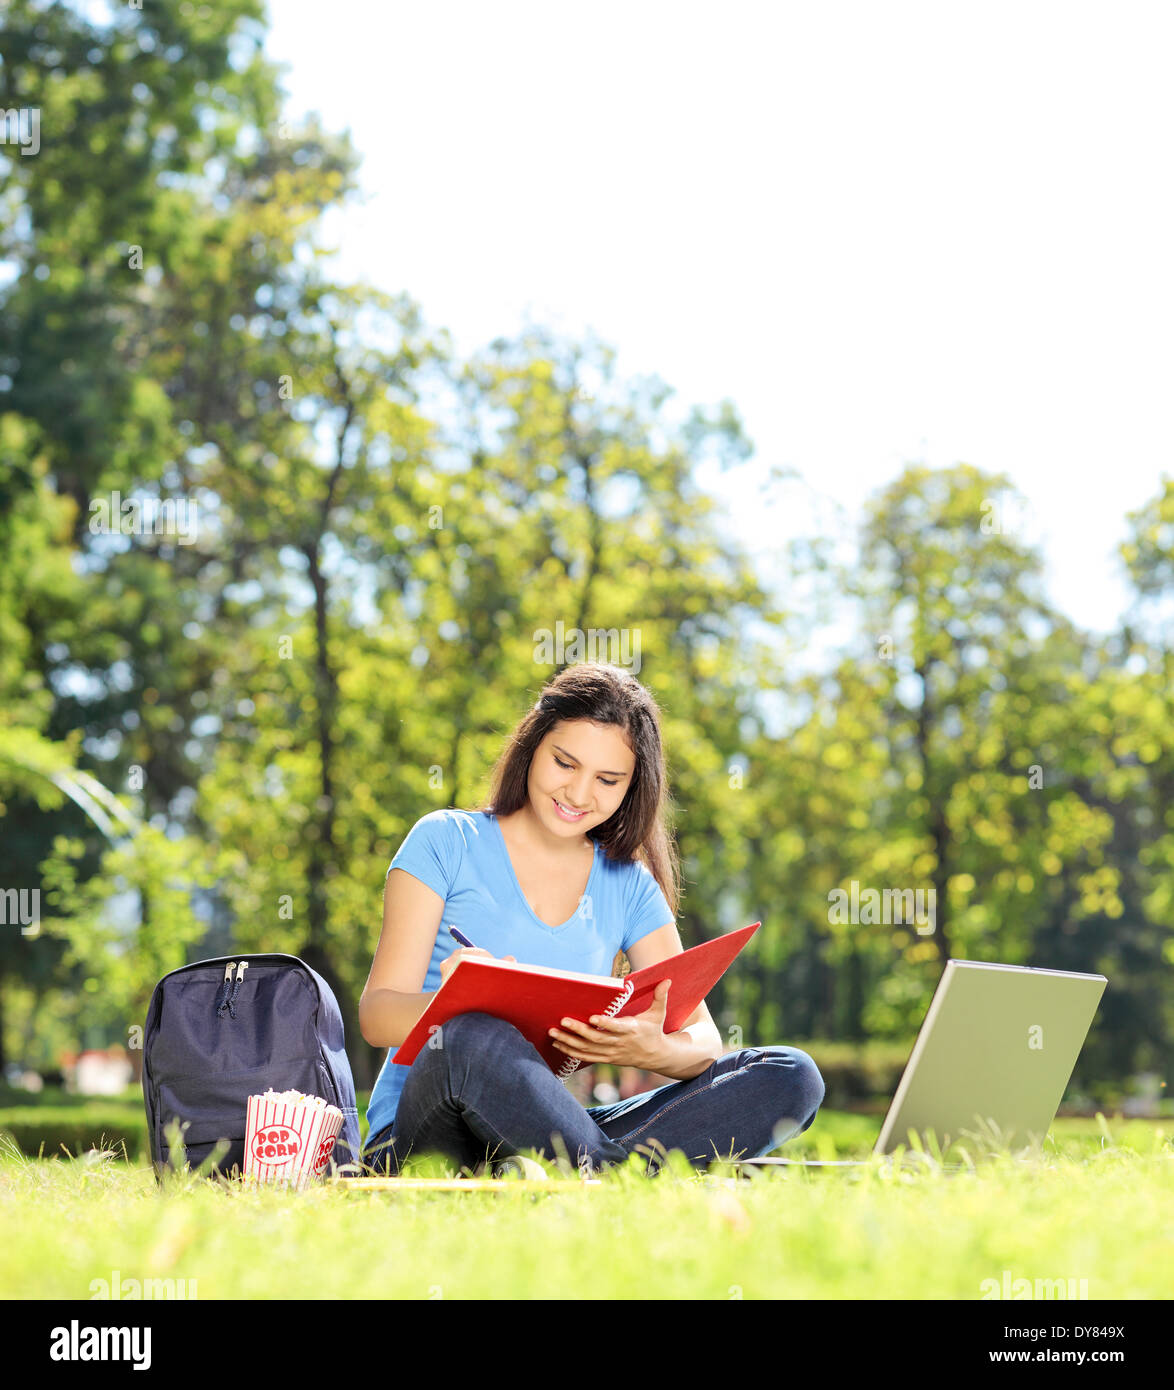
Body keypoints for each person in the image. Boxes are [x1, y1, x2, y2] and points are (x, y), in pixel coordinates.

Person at [358, 661, 824, 1177]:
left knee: (791, 1074)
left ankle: (582, 1172)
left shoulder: (628, 883)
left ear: (632, 786)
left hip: (540, 1135)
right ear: (533, 745)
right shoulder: (445, 840)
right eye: (564, 763)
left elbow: (704, 1042)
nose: (579, 795)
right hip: (423, 1131)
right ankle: (616, 1176)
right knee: (471, 1034)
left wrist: (656, 1049)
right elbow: (377, 1017)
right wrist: (451, 1004)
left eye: (607, 779)